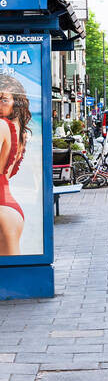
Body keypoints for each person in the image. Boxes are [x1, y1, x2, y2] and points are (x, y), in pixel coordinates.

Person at [0, 75, 31, 254]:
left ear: (15, 103)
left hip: (2, 209)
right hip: (9, 209)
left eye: (4, 100)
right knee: (12, 276)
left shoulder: (2, 126)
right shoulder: (19, 132)